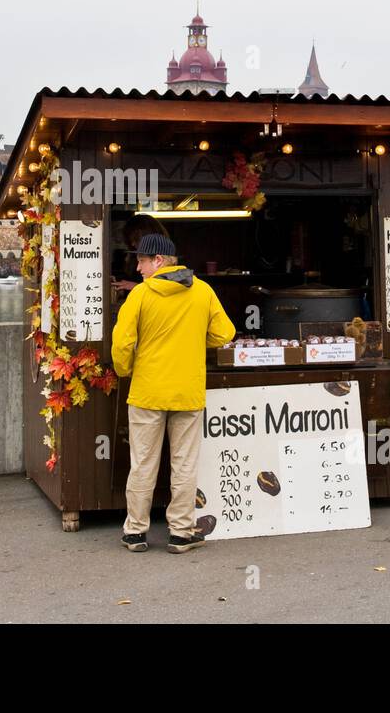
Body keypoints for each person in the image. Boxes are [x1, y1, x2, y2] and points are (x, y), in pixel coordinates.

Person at [111, 232, 236, 553]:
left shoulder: (139, 296)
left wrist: (125, 370)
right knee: (184, 464)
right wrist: (194, 342)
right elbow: (225, 333)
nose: (137, 267)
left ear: (159, 261)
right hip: (187, 392)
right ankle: (181, 533)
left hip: (147, 392)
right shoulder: (203, 291)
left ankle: (135, 533)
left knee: (143, 464)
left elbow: (122, 344)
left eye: (141, 260)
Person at [111, 214, 169, 294]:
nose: (132, 244)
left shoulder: (168, 258)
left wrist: (136, 286)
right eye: (130, 240)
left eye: (136, 239)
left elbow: (171, 289)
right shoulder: (136, 257)